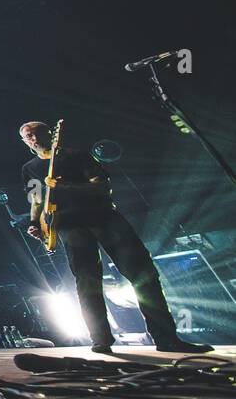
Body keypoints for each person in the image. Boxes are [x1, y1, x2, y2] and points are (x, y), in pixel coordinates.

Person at [18, 121, 211, 355]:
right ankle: (100, 340)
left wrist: (65, 186)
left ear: (50, 133)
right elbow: (36, 201)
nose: (33, 138)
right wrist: (34, 224)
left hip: (105, 219)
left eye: (37, 133)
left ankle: (167, 339)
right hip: (71, 227)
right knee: (87, 283)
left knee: (143, 274)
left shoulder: (77, 156)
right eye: (28, 136)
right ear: (24, 142)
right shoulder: (30, 168)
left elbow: (103, 186)